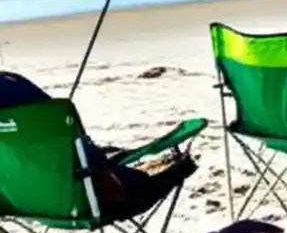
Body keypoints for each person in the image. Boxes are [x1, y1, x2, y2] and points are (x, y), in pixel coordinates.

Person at [0, 71, 195, 219]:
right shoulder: (14, 86)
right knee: (158, 174)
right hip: (82, 198)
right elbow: (65, 141)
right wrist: (105, 173)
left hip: (16, 204)